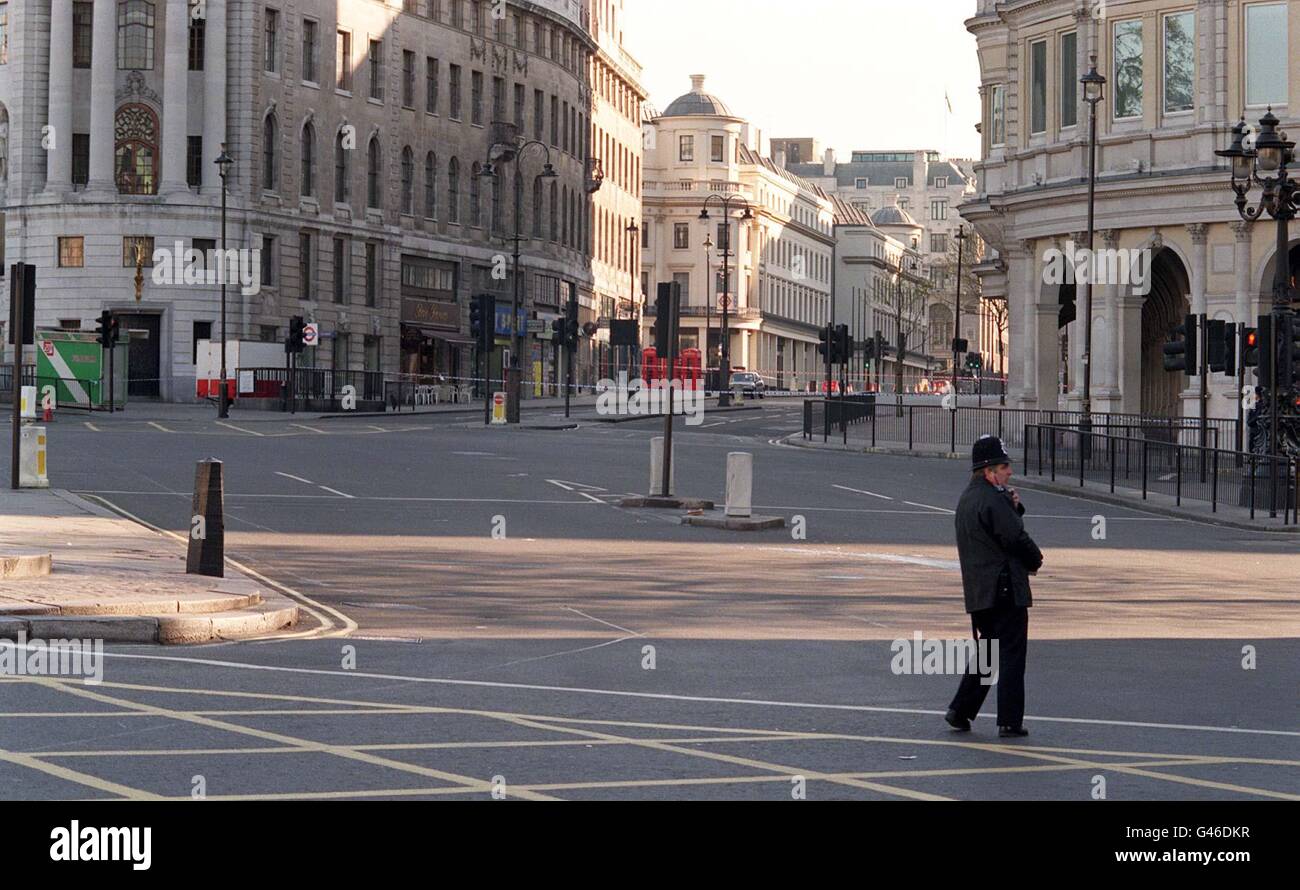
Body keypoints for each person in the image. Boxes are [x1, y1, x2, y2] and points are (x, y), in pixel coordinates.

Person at [946, 434, 1043, 738]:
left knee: (988, 652)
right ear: (988, 471)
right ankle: (1009, 720)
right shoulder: (991, 499)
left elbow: (994, 533)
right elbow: (1014, 537)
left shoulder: (967, 498)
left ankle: (960, 711)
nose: (1009, 472)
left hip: (980, 591)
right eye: (1004, 467)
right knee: (1012, 655)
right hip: (1005, 589)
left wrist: (1012, 505)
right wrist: (1036, 560)